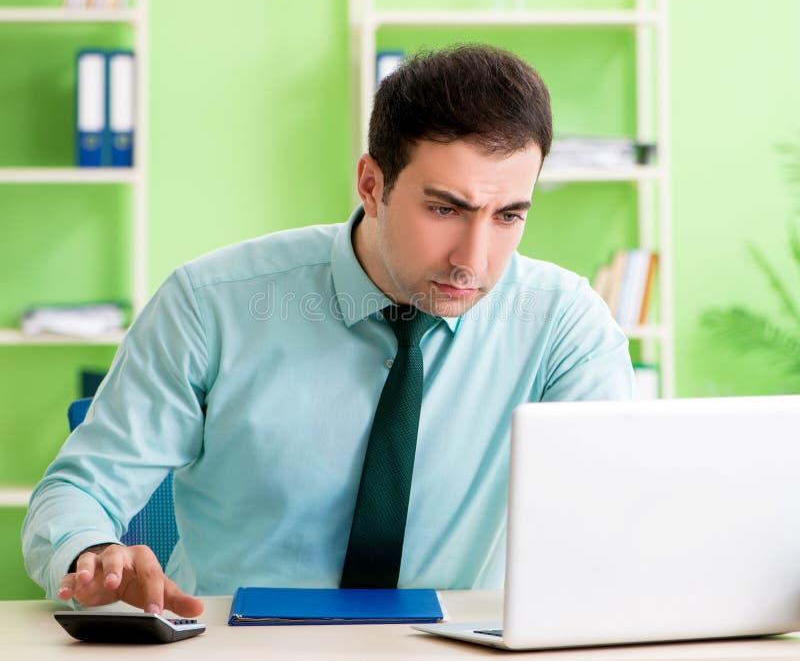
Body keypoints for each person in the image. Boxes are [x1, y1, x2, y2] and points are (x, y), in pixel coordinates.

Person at [22, 44, 635, 617]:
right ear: (372, 184)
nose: (473, 260)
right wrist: (92, 553)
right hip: (240, 648)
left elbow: (617, 515)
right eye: (446, 209)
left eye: (508, 216)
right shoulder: (211, 305)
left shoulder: (562, 324)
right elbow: (78, 489)